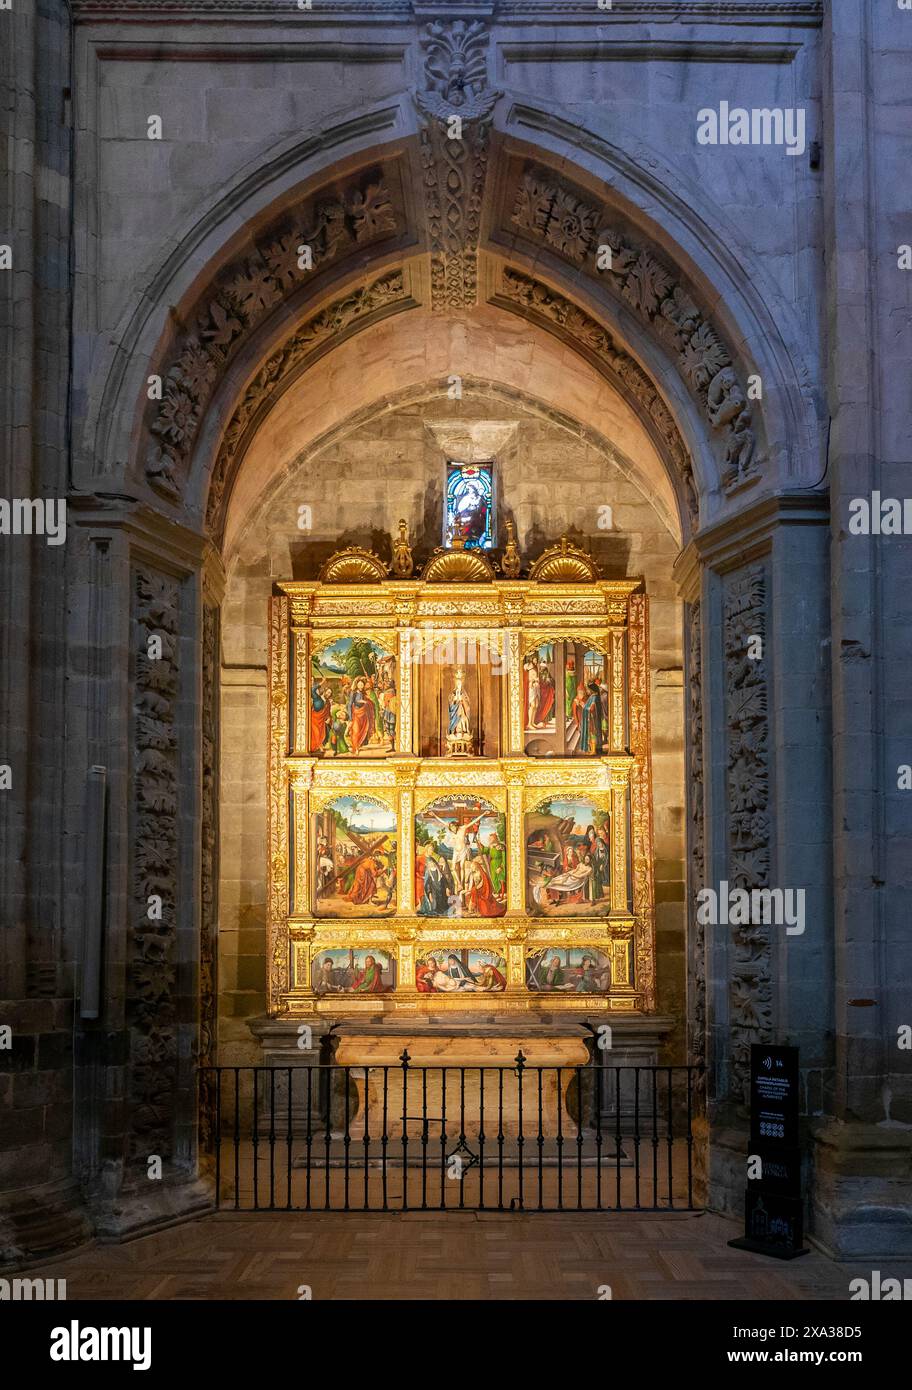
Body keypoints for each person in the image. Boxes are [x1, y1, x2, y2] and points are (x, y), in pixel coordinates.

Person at [347, 677, 375, 754]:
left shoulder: (363, 693)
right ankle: (355, 748)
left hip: (363, 714)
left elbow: (368, 701)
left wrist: (367, 702)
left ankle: (358, 745)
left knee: (362, 730)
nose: (360, 686)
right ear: (357, 685)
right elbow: (350, 704)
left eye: (362, 684)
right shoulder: (353, 693)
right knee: (355, 730)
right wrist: (350, 717)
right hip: (356, 713)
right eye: (359, 684)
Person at [580, 680, 605, 754]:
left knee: (592, 733)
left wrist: (583, 706)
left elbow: (592, 709)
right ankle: (592, 750)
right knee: (591, 734)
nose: (588, 690)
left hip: (592, 719)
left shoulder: (594, 697)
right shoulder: (594, 696)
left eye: (589, 689)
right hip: (591, 718)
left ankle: (594, 751)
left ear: (592, 689)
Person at [310, 678, 331, 751]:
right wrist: (322, 682)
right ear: (324, 691)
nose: (328, 694)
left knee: (322, 733)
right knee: (316, 733)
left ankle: (320, 745)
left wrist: (328, 718)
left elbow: (328, 712)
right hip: (314, 718)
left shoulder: (328, 702)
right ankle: (319, 746)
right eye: (328, 692)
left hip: (321, 720)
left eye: (330, 694)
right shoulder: (317, 697)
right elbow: (312, 690)